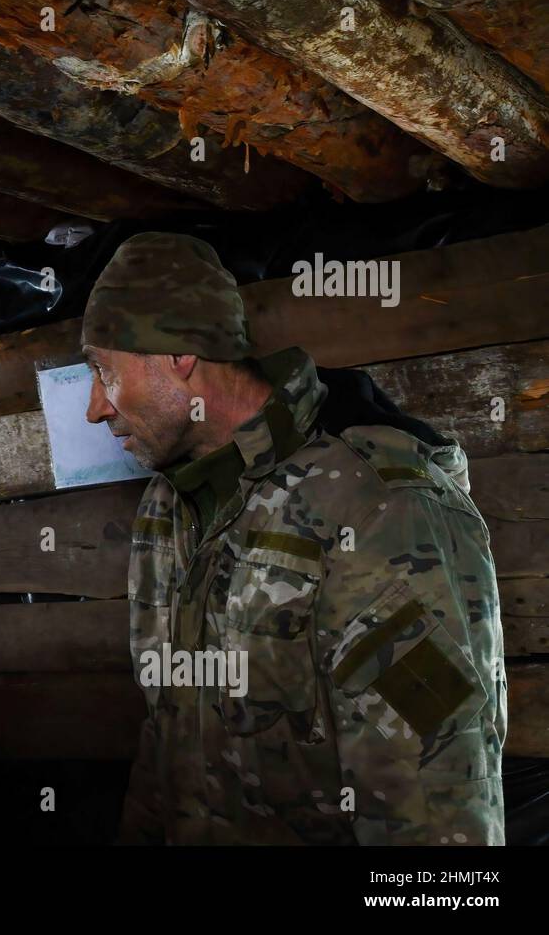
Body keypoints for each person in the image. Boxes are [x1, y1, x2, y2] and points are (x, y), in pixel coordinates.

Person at [82, 232, 506, 844]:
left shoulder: (374, 504)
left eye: (104, 371)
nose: (95, 408)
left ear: (178, 353)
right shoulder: (167, 507)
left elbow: (437, 791)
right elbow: (166, 732)